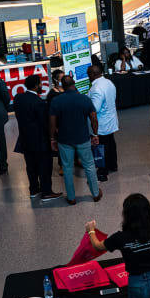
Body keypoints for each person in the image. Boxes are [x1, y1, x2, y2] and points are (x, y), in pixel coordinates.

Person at [49, 75, 103, 204]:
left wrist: (52, 138)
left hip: (64, 139)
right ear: (74, 83)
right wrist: (95, 134)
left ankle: (71, 197)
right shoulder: (84, 99)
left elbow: (51, 121)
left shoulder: (56, 101)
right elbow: (94, 118)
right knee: (89, 165)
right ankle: (95, 193)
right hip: (83, 138)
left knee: (67, 168)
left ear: (62, 85)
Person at [13, 75, 62, 202]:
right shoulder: (39, 103)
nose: (41, 86)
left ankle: (34, 190)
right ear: (36, 86)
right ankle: (46, 192)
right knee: (44, 166)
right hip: (40, 140)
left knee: (31, 166)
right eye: (40, 84)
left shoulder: (18, 98)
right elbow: (45, 123)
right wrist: (53, 137)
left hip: (24, 139)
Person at [85, 65, 118, 181]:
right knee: (111, 143)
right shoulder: (109, 82)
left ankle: (102, 171)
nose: (88, 77)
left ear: (93, 75)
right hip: (111, 119)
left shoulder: (96, 88)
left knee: (101, 147)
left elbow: (94, 109)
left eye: (88, 75)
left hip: (101, 123)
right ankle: (113, 165)